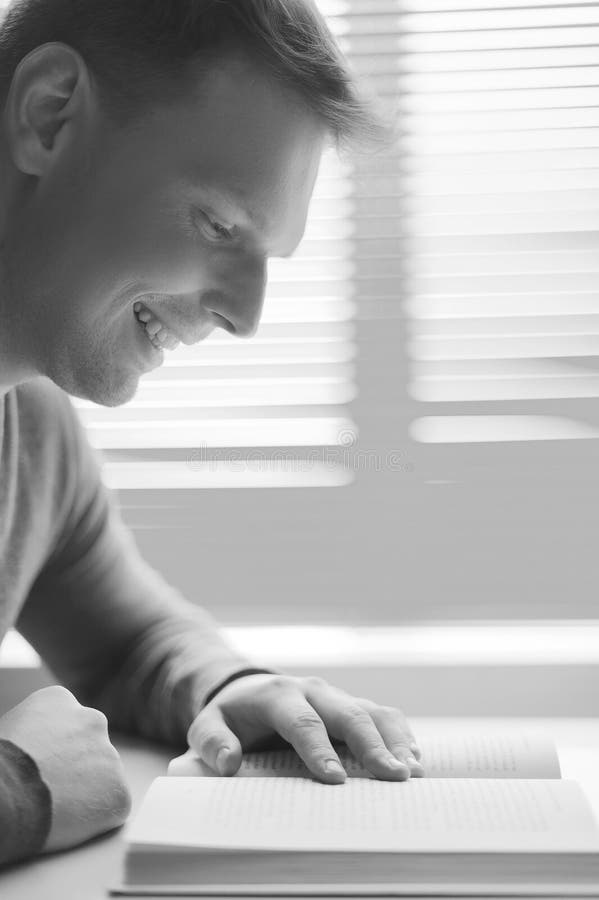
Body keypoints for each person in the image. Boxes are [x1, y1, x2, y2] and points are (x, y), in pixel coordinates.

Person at [0, 0, 423, 868]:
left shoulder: (31, 424)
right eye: (218, 224)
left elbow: (129, 643)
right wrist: (20, 788)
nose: (244, 316)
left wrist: (237, 689)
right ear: (49, 116)